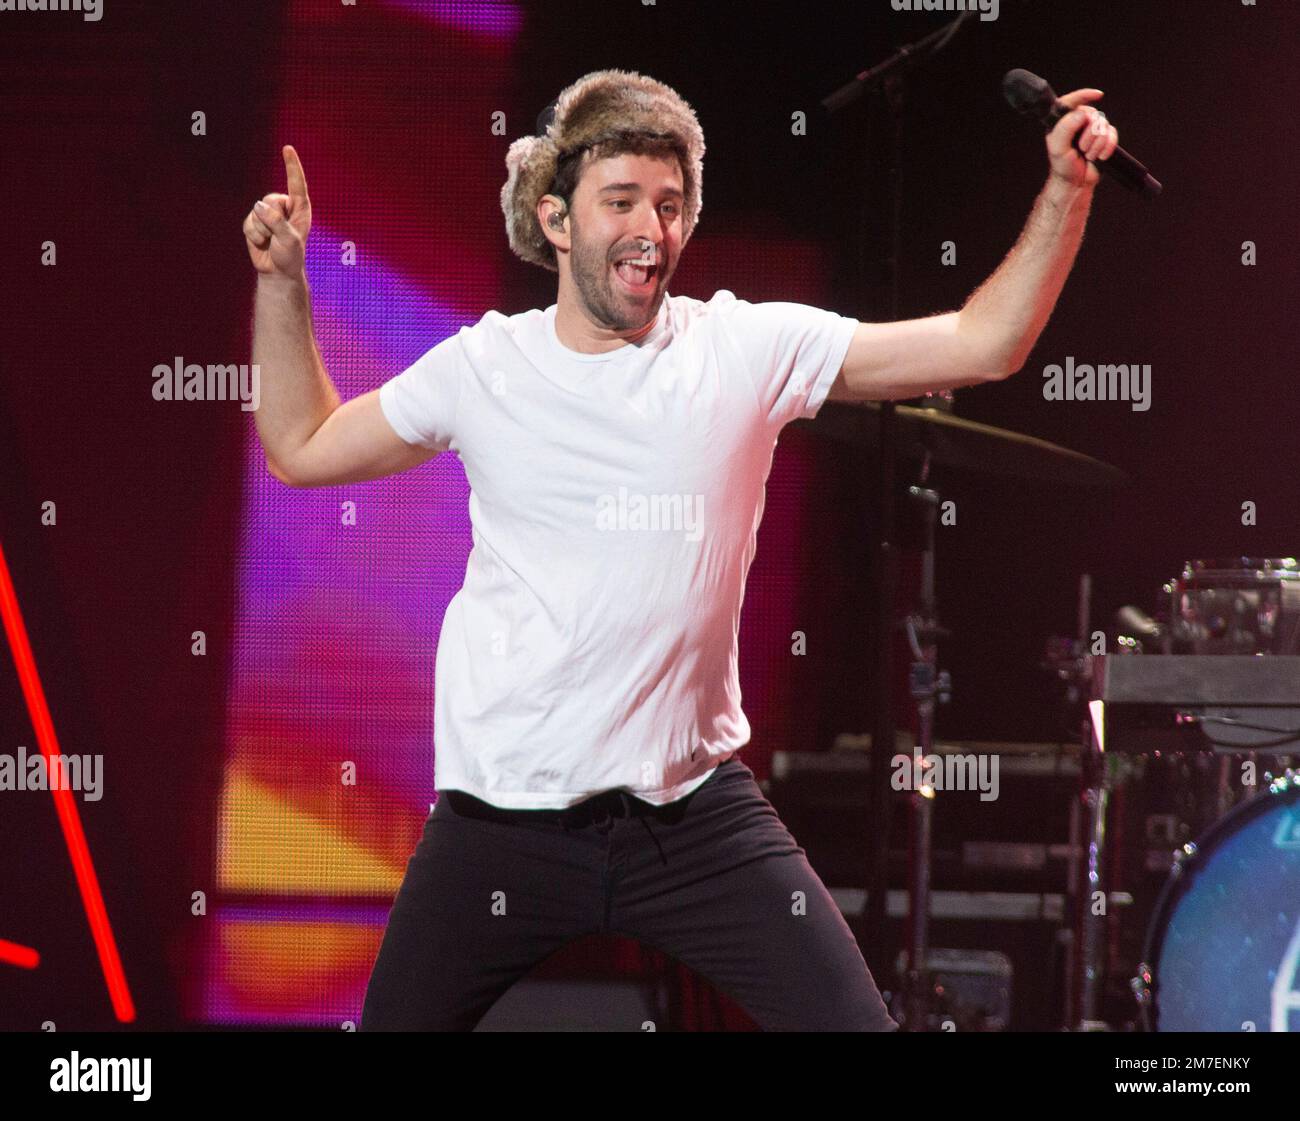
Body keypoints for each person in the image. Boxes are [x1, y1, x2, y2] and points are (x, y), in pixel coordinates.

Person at [243, 69, 1118, 1031]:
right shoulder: (483, 367)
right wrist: (284, 285)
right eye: (621, 201)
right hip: (501, 828)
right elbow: (301, 445)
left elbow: (983, 342)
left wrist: (1066, 191)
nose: (650, 230)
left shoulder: (745, 348)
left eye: (668, 206)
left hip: (694, 821)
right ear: (558, 218)